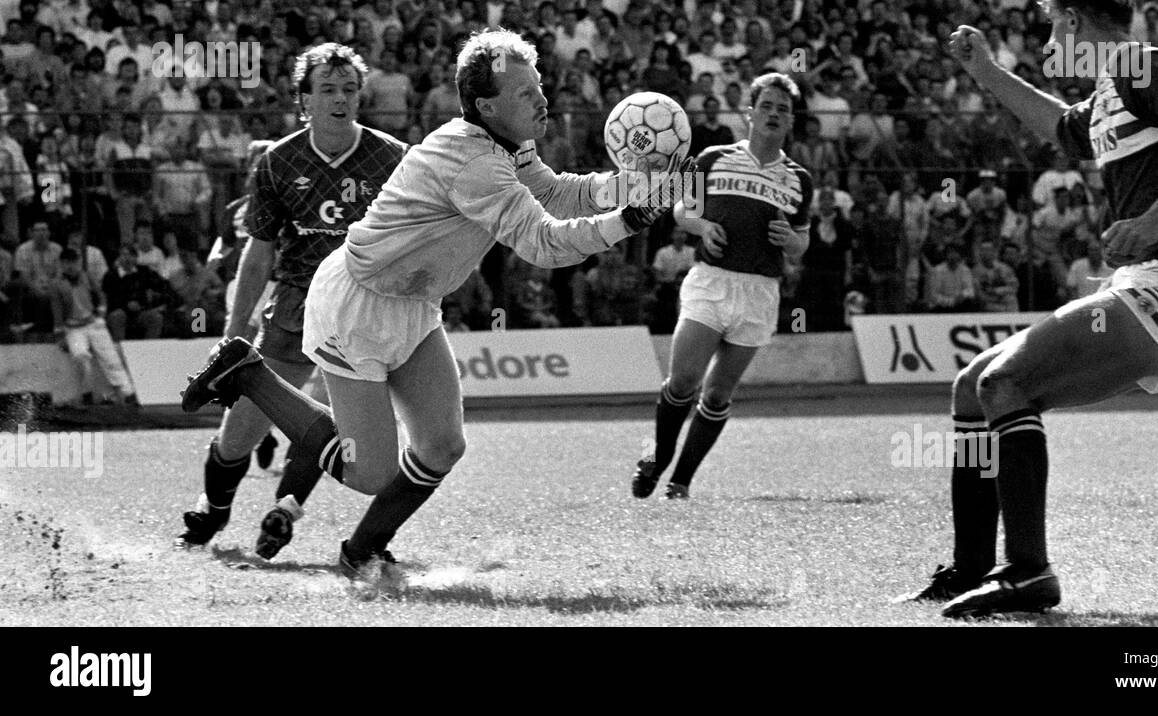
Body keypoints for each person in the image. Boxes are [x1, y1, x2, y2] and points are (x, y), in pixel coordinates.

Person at [181, 29, 685, 577]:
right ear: (487, 105)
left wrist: (628, 185)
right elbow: (542, 242)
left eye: (538, 85)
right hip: (356, 306)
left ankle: (361, 551)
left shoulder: (505, 145)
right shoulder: (473, 160)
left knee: (442, 446)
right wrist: (629, 219)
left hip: (414, 306)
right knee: (369, 471)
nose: (542, 99)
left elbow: (560, 193)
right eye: (526, 93)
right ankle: (248, 374)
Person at [899, 0, 1158, 617]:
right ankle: (971, 569)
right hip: (1156, 284)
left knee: (1005, 384)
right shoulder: (1117, 90)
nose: (1051, 45)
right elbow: (1063, 130)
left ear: (1074, 20)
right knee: (973, 386)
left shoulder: (1146, 66)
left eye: (1053, 31)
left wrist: (1151, 221)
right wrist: (986, 72)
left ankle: (1028, 572)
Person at [173, 44, 407, 560]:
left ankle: (289, 509)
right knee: (237, 439)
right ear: (305, 99)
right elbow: (258, 257)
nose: (341, 99)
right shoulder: (278, 162)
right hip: (297, 309)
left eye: (349, 89)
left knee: (338, 422)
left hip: (367, 309)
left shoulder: (394, 158)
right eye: (327, 90)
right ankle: (213, 509)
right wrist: (233, 336)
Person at [632, 72, 812, 500]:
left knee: (716, 395)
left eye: (782, 110)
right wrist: (704, 225)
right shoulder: (713, 158)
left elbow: (802, 242)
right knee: (684, 381)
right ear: (749, 113)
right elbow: (681, 211)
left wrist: (793, 241)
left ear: (790, 121)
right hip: (711, 283)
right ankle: (658, 456)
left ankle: (682, 482)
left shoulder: (799, 179)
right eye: (765, 106)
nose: (773, 114)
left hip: (760, 292)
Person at [51, 247, 139, 405]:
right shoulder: (57, 284)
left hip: (93, 323)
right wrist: (60, 335)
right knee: (80, 356)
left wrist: (101, 312)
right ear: (62, 264)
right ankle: (87, 394)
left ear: (78, 263)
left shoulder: (87, 276)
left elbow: (101, 295)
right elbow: (56, 311)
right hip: (73, 328)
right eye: (66, 263)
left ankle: (127, 393)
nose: (70, 266)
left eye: (73, 262)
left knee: (110, 358)